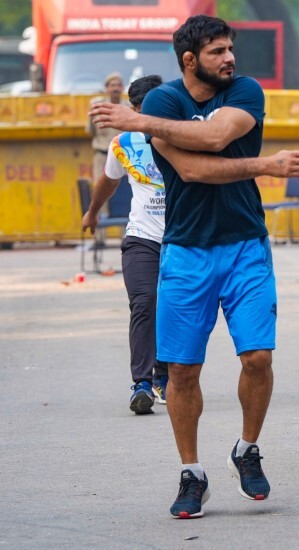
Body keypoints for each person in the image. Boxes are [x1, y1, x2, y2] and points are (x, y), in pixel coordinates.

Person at [90, 15, 299, 518]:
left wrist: (144, 125)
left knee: (258, 358)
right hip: (187, 250)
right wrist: (265, 163)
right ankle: (192, 472)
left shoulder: (245, 91)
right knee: (183, 372)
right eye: (218, 51)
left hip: (245, 246)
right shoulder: (163, 100)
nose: (230, 58)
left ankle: (247, 449)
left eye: (230, 48)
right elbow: (190, 170)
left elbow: (215, 140)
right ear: (190, 59)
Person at [83, 75, 168, 415]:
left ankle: (164, 375)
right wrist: (91, 212)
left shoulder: (182, 137)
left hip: (183, 239)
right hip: (142, 238)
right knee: (145, 303)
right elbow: (108, 180)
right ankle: (142, 384)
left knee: (173, 309)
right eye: (143, 111)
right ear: (132, 110)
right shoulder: (123, 143)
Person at [86, 72, 130, 217]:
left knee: (125, 191)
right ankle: (100, 233)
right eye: (112, 85)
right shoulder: (97, 107)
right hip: (102, 155)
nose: (115, 88)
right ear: (106, 88)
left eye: (118, 85)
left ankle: (124, 232)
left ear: (122, 88)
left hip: (123, 156)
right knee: (100, 190)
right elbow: (90, 130)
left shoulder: (128, 108)